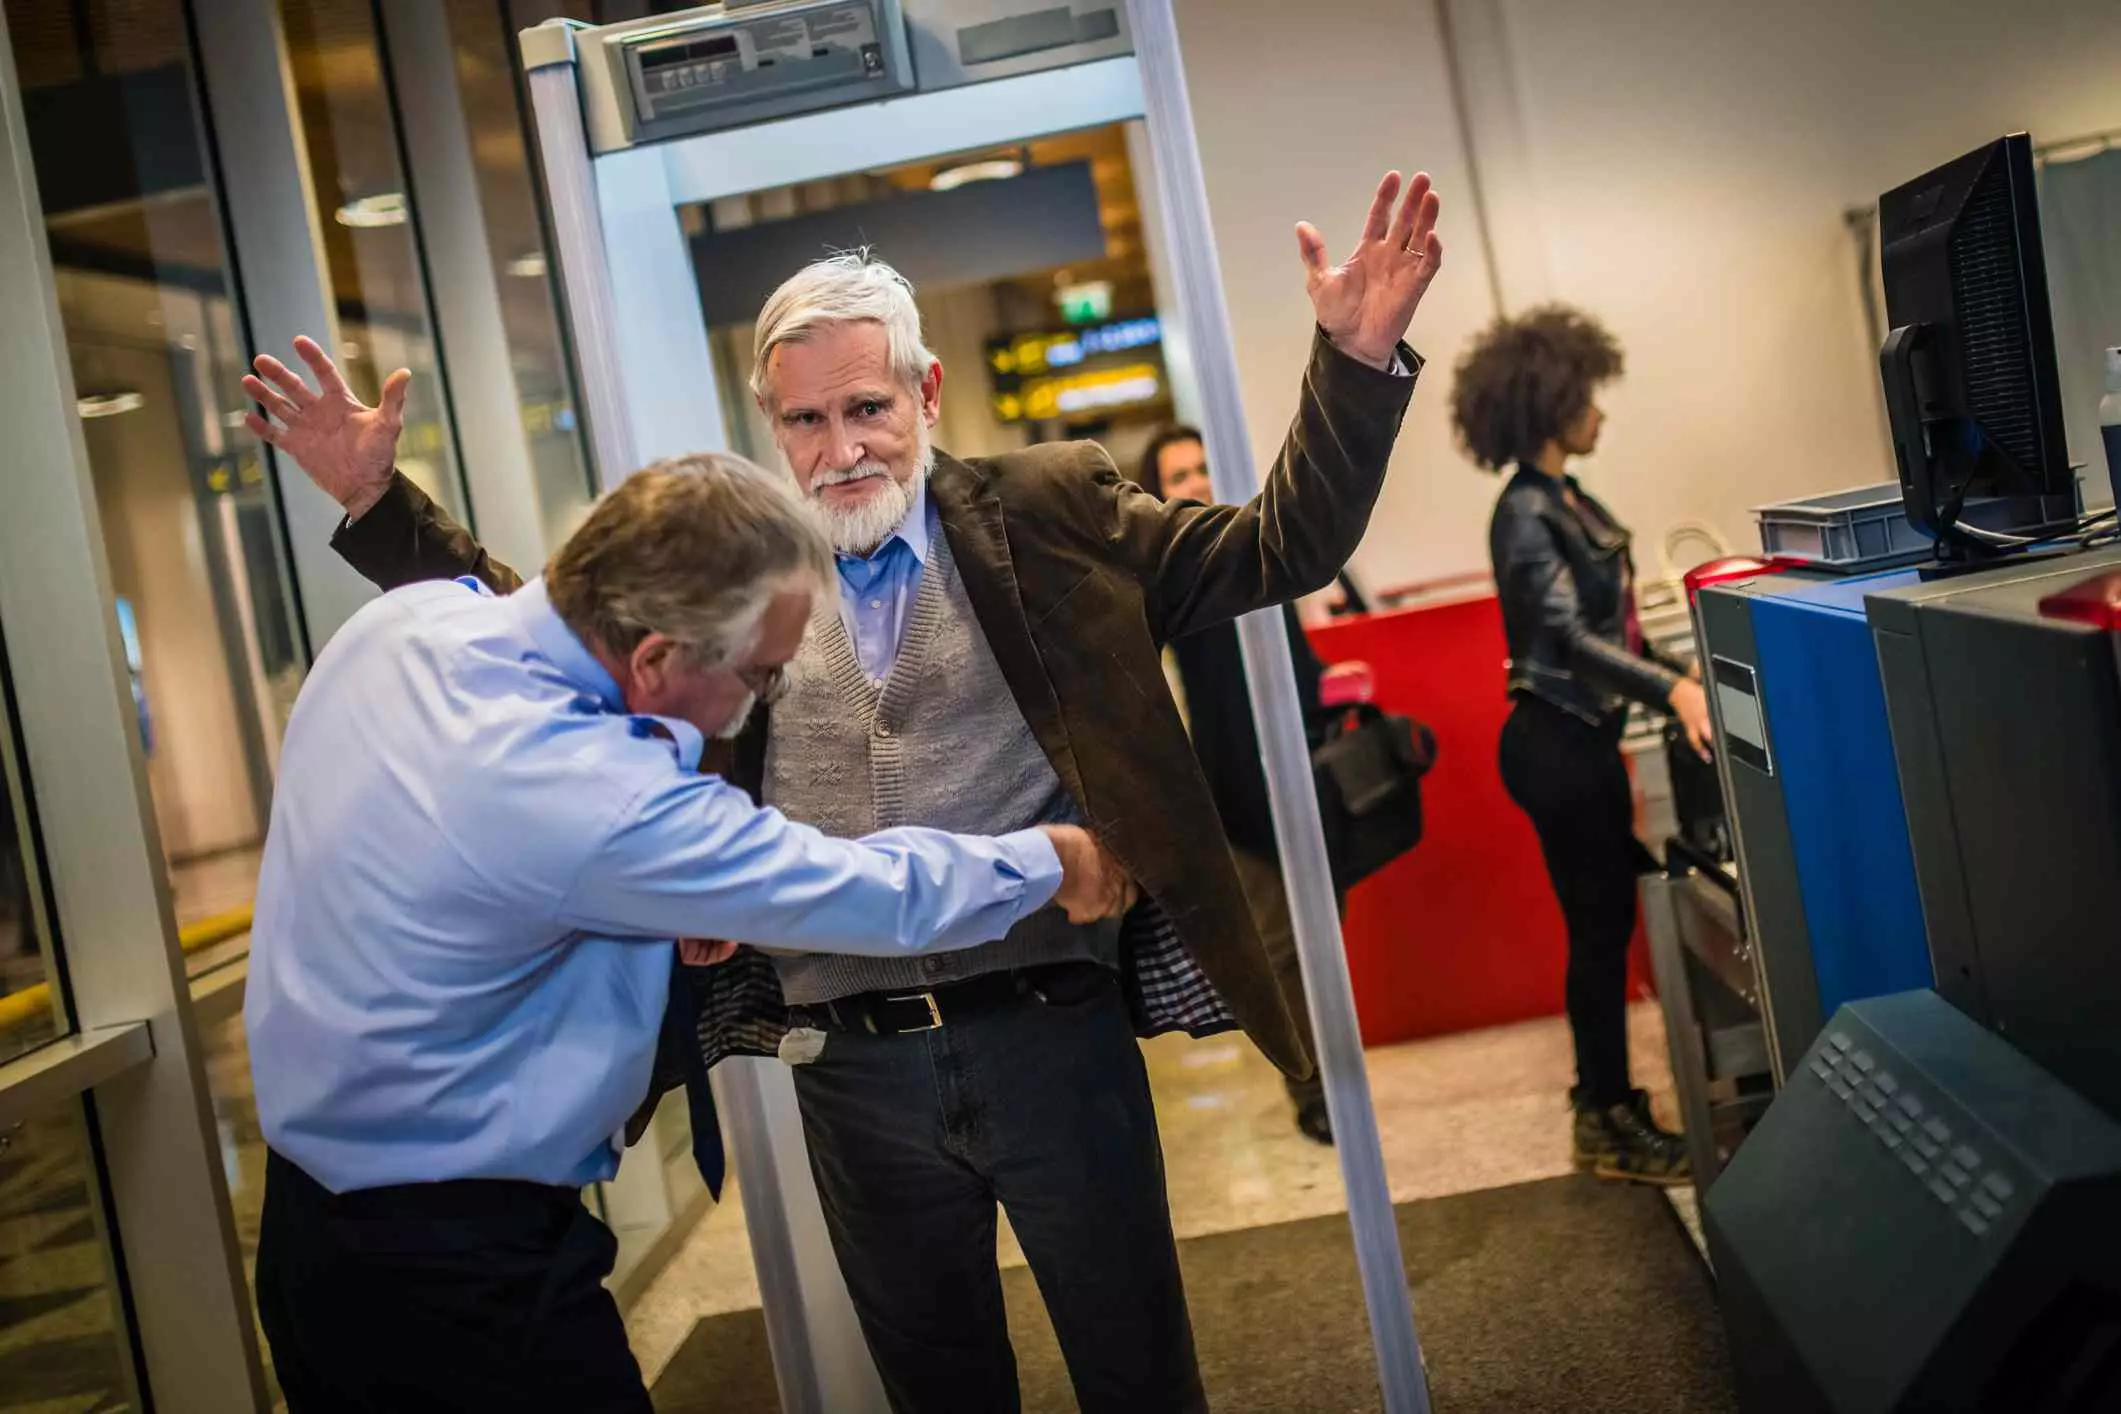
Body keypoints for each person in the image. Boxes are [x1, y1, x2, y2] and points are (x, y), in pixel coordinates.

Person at [259, 166, 1443, 1414]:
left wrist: (1354, 365)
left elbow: (1276, 547)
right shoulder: (749, 572)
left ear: (927, 391)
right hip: (852, 1066)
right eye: (806, 423)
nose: (842, 450)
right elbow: (562, 620)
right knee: (936, 1384)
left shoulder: (1046, 509)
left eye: (868, 408)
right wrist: (378, 506)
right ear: (772, 424)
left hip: (1051, 1031)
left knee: (1135, 1364)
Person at [237, 436, 1137, 1414]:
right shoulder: (600, 798)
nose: (762, 704)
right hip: (458, 1278)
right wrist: (1054, 859)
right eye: (762, 678)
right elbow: (864, 887)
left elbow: (465, 876)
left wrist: (648, 914)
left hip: (308, 1237)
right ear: (658, 656)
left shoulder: (400, 628)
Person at [1449, 305, 1711, 1186]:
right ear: (1550, 403)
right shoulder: (1525, 512)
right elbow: (1565, 641)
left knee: (1606, 922)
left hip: (1578, 738)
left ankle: (1605, 1106)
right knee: (1598, 933)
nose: (1600, 411)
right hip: (1553, 744)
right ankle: (1603, 1118)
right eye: (1587, 396)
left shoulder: (1563, 500)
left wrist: (1684, 670)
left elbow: (1617, 630)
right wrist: (1672, 689)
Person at [1141, 424, 1337, 1146]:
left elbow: (1299, 660)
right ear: (1155, 491)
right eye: (1176, 474)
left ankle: (1335, 1073)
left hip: (1298, 780)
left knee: (1322, 938)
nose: (1192, 483)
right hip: (1231, 798)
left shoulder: (1255, 551)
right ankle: (1311, 1090)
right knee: (1280, 948)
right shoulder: (1164, 580)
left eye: (1200, 467)